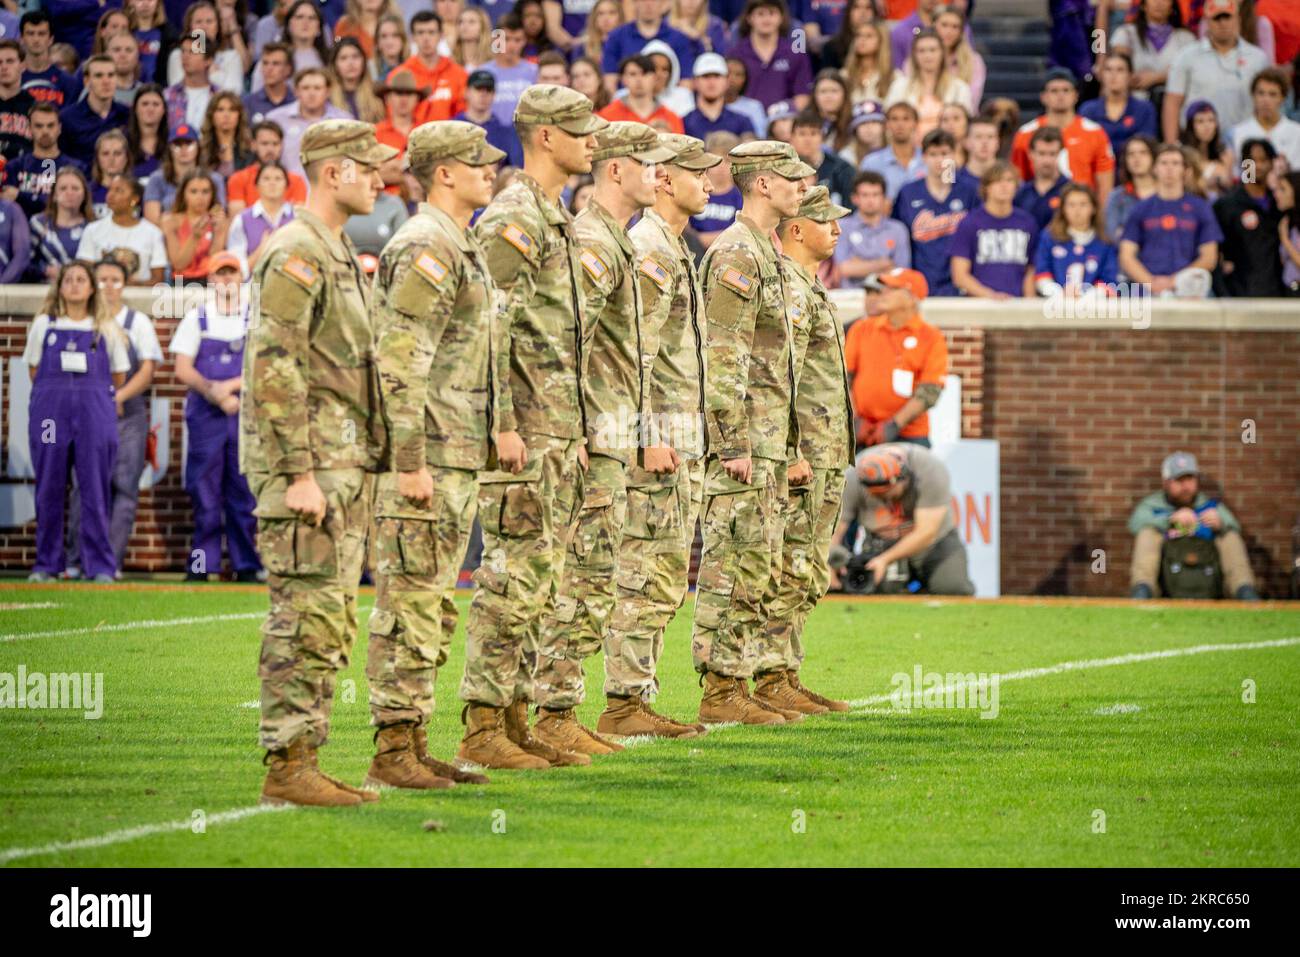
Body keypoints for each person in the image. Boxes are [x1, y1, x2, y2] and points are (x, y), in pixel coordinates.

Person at [243, 119, 397, 807]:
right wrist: (300, 472)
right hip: (308, 472)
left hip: (341, 466)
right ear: (333, 172)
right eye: (368, 169)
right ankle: (288, 764)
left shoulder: (334, 249)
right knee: (303, 616)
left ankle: (307, 756)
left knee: (330, 616)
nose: (380, 181)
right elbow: (276, 366)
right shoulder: (297, 251)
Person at [458, 86, 607, 770]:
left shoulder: (555, 215)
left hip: (555, 430)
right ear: (544, 136)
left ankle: (515, 719)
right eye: (579, 130)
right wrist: (501, 422)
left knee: (537, 580)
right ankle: (482, 725)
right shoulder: (515, 215)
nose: (592, 140)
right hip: (523, 431)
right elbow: (487, 323)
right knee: (510, 578)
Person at [526, 122, 678, 753]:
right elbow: (567, 343)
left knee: (595, 576)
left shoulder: (613, 238)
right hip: (592, 433)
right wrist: (579, 429)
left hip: (615, 431)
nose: (658, 176)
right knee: (579, 577)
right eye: (648, 164)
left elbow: (630, 359)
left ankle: (561, 713)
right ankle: (551, 714)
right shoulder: (592, 239)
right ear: (617, 171)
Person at [362, 120, 505, 784]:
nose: (492, 171)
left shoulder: (459, 241)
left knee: (435, 601)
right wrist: (410, 461)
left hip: (455, 452)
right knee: (410, 602)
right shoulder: (426, 244)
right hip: (426, 457)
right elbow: (399, 366)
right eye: (479, 163)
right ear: (444, 171)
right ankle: (394, 748)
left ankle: (413, 741)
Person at [693, 139, 812, 725]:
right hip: (744, 444)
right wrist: (731, 441)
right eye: (791, 178)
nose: (801, 188)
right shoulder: (736, 253)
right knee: (731, 565)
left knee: (757, 565)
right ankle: (720, 689)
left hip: (767, 443)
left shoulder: (763, 251)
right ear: (762, 183)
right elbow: (723, 354)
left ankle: (738, 682)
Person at [603, 132, 717, 739]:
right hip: (660, 438)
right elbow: (634, 349)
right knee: (646, 570)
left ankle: (635, 694)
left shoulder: (673, 246)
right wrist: (645, 433)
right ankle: (623, 700)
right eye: (697, 173)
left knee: (666, 572)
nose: (711, 182)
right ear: (666, 181)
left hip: (680, 434)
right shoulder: (650, 247)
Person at [762, 185, 854, 715]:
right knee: (791, 564)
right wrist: (792, 448)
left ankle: (784, 670)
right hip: (805, 453)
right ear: (796, 229)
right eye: (827, 222)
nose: (838, 231)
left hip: (825, 450)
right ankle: (768, 674)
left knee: (808, 567)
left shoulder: (810, 288)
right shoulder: (792, 290)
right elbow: (781, 377)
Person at [24, 261, 130, 585]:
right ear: (59, 287)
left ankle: (98, 566)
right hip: (50, 416)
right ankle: (47, 565)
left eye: (80, 279)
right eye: (67, 279)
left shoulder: (107, 329)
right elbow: (34, 371)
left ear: (91, 287)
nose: (73, 285)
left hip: (94, 414)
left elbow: (118, 376)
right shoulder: (44, 325)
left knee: (95, 490)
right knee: (49, 487)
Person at [91, 257, 163, 575]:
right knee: (87, 487)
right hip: (90, 414)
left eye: (115, 280)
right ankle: (80, 561)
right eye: (102, 280)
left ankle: (111, 562)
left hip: (128, 413)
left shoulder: (138, 322)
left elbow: (147, 370)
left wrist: (117, 397)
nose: (108, 286)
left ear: (125, 284)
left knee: (124, 487)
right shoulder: (83, 320)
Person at [835, 444, 975, 595]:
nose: (885, 501)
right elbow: (833, 531)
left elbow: (927, 533)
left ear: (903, 478)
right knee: (868, 588)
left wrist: (885, 559)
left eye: (888, 494)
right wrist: (831, 560)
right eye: (876, 495)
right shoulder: (852, 478)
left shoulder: (930, 471)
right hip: (880, 542)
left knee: (953, 587)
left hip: (934, 543)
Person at [1128, 451, 1259, 600]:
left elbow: (1235, 526)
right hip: (1167, 574)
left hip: (1207, 573)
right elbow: (1134, 523)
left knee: (1229, 536)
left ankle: (1245, 591)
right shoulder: (1153, 504)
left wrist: (1220, 524)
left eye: (1189, 479)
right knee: (1147, 533)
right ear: (1166, 482)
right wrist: (1170, 519)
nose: (1185, 486)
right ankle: (1142, 590)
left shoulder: (1209, 504)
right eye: (1179, 480)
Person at [846, 267, 946, 448]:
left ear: (911, 298)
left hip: (909, 435)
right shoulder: (861, 329)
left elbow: (930, 391)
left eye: (892, 288)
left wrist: (894, 425)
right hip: (860, 432)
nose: (882, 293)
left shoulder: (931, 337)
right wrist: (854, 421)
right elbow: (844, 379)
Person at [1119, 143, 1222, 297]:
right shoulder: (1141, 208)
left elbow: (1209, 257)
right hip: (1147, 287)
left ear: (1185, 170)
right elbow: (1126, 256)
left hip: (1188, 286)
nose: (1169, 168)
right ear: (1154, 168)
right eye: (1164, 163)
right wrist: (1151, 283)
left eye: (1175, 163)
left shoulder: (1200, 208)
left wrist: (1174, 281)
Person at [1163, 0, 1269, 144]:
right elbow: (1172, 103)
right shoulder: (1186, 56)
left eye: (1227, 17)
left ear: (1238, 19)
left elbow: (1268, 103)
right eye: (1217, 18)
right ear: (1207, 22)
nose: (1223, 23)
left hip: (1245, 142)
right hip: (1199, 144)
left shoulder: (1258, 58)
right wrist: (1171, 144)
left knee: (1248, 167)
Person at [892, 129, 979, 296]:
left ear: (954, 155)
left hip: (960, 283)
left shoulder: (969, 191)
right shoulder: (908, 192)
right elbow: (900, 236)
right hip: (921, 280)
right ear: (923, 157)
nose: (940, 160)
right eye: (933, 154)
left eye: (945, 153)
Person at [1011, 68, 1116, 201]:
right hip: (1038, 209)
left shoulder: (1095, 132)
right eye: (1054, 91)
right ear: (1043, 97)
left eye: (1066, 90)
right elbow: (1018, 181)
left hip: (1082, 212)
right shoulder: (1026, 133)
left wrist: (1099, 220)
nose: (1060, 96)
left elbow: (1105, 185)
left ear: (1076, 95)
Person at [1215, 137, 1285, 296]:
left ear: (1272, 163)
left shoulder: (1279, 204)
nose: (1258, 166)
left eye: (1263, 160)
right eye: (1251, 160)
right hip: (1239, 292)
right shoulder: (1227, 205)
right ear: (1243, 164)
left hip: (1277, 292)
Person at [884, 28, 972, 142]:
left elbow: (964, 127)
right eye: (922, 51)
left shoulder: (960, 88)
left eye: (932, 50)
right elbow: (890, 123)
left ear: (942, 53)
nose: (927, 55)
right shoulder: (899, 86)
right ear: (914, 55)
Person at [79, 174, 168, 285]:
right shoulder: (92, 230)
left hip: (140, 299)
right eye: (110, 190)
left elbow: (158, 279)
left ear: (135, 199)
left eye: (119, 191)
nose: (110, 195)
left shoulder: (153, 233)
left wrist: (130, 285)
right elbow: (85, 273)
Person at [1033, 183, 1119, 297]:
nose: (1077, 210)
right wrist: (1059, 294)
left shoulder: (1104, 242)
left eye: (1083, 204)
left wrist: (1088, 296)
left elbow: (1109, 281)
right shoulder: (1049, 237)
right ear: (1063, 209)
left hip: (1094, 308)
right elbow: (1041, 275)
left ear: (1093, 208)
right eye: (1071, 205)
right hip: (1055, 306)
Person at [725, 0, 812, 112]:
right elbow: (728, 93)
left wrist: (783, 109)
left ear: (781, 17)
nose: (766, 19)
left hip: (784, 118)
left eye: (772, 13)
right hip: (744, 117)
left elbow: (803, 96)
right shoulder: (736, 53)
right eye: (760, 14)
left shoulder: (796, 54)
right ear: (749, 18)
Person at [267, 68, 352, 180]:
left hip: (331, 192)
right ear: (296, 91)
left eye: (317, 88)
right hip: (287, 192)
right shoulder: (276, 119)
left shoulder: (344, 120)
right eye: (305, 88)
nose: (311, 94)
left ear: (327, 92)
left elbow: (350, 160)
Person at [601, 0, 697, 94]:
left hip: (669, 103)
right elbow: (610, 82)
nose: (648, 4)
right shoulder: (616, 37)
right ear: (635, 3)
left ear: (663, 3)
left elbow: (686, 82)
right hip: (627, 102)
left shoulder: (679, 38)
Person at [833, 170, 911, 284]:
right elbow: (844, 269)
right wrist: (884, 263)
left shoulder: (898, 230)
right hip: (850, 297)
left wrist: (858, 265)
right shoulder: (841, 227)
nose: (870, 200)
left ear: (884, 198)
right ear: (854, 198)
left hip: (887, 295)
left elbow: (901, 273)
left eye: (875, 194)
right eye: (865, 195)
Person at [1, 103, 76, 218]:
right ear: (29, 128)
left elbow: (68, 204)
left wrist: (20, 195)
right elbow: (5, 205)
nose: (45, 131)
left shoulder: (75, 169)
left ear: (59, 128)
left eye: (50, 126)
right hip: (20, 232)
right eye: (39, 126)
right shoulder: (14, 167)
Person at [1110, 0, 1196, 101]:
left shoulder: (1186, 38)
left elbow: (1191, 72)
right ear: (1143, 5)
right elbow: (1120, 67)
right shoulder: (1126, 33)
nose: (1158, 3)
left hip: (1175, 103)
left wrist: (1156, 78)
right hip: (1135, 103)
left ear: (1172, 6)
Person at [1079, 52, 1159, 156]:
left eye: (1120, 70)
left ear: (1130, 75)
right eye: (1108, 70)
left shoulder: (1145, 109)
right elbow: (1083, 146)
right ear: (1101, 75)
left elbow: (1146, 146)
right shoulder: (1088, 109)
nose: (1113, 75)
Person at [59, 55, 130, 168]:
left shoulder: (128, 115)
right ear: (87, 81)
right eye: (99, 76)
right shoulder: (67, 118)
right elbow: (58, 158)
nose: (106, 81)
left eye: (111, 75)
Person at [399, 11, 468, 122]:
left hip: (450, 137)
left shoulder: (459, 74)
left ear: (441, 35)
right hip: (414, 138)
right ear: (412, 37)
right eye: (420, 33)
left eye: (431, 32)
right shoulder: (400, 76)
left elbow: (464, 115)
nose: (426, 39)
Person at [226, 121, 309, 215]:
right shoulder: (238, 179)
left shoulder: (296, 181)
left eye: (275, 144)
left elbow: (299, 219)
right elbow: (238, 219)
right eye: (264, 144)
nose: (270, 149)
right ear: (253, 145)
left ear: (281, 145)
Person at [28, 168, 95, 283]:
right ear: (54, 195)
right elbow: (25, 261)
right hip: (44, 288)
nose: (69, 193)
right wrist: (45, 270)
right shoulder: (38, 224)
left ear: (85, 194)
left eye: (75, 188)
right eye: (63, 188)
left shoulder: (94, 226)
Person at [162, 169, 228, 282]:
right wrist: (194, 237)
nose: (200, 197)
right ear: (183, 194)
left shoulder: (220, 220)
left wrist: (219, 232)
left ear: (212, 194)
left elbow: (215, 261)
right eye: (193, 191)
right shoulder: (170, 221)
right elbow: (179, 264)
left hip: (210, 282)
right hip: (180, 282)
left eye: (205, 191)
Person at [227, 162, 295, 272]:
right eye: (266, 179)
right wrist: (262, 250)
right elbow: (236, 270)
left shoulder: (298, 217)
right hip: (253, 286)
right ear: (256, 186)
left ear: (286, 185)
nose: (272, 183)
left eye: (278, 179)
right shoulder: (242, 220)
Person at [1230, 67, 1300, 169]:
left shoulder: (1297, 133)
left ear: (1282, 98)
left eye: (1273, 94)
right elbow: (1246, 177)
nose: (1266, 100)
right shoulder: (1238, 133)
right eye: (1261, 93)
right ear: (1253, 96)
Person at [455, 69, 524, 168]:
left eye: (488, 90)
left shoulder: (504, 132)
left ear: (494, 94)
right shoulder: (454, 127)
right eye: (478, 89)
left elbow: (514, 167)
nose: (483, 94)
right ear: (467, 92)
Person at [598, 54, 684, 133]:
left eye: (645, 73)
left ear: (655, 78)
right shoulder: (607, 116)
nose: (639, 79)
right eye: (633, 74)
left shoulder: (671, 119)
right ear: (623, 79)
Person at [682, 52, 755, 142]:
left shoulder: (742, 122)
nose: (711, 82)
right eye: (706, 76)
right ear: (695, 81)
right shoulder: (683, 123)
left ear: (727, 81)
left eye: (717, 76)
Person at [791, 110, 856, 208]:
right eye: (802, 133)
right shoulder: (784, 169)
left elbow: (851, 208)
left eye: (813, 133)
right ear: (792, 138)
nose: (807, 139)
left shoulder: (842, 169)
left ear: (822, 137)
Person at [860, 101, 924, 201]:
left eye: (906, 119)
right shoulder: (871, 163)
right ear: (887, 125)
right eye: (894, 119)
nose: (900, 124)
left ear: (915, 123)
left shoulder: (930, 158)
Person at [483, 13, 538, 125]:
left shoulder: (534, 72)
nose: (511, 45)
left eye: (517, 40)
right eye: (506, 39)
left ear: (525, 41)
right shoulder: (483, 72)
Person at [1013, 126, 1071, 232]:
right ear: (1031, 154)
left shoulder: (1071, 191)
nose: (1047, 161)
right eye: (1041, 153)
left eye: (1052, 154)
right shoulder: (1020, 193)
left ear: (1061, 154)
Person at [691, 129, 743, 245]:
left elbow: (741, 234)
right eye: (717, 160)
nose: (721, 166)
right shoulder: (694, 190)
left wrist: (701, 239)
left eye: (727, 160)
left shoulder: (741, 196)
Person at [20, 11, 80, 109]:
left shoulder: (68, 82)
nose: (36, 39)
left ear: (51, 39)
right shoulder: (11, 79)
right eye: (30, 33)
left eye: (41, 34)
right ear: (21, 38)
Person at [1105, 133, 1158, 243]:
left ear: (1154, 157)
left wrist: (1128, 233)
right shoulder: (1117, 196)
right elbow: (1112, 235)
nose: (1136, 158)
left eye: (1143, 153)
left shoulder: (1167, 193)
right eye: (1131, 154)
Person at [844, 20, 897, 105]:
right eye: (858, 35)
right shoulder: (845, 75)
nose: (862, 40)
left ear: (881, 41)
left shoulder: (895, 77)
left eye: (869, 36)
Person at [0, 40, 35, 161]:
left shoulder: (34, 107)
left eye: (10, 61)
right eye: (0, 62)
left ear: (23, 65)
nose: (4, 67)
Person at [127, 84, 167, 178]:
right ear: (135, 109)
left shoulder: (172, 141)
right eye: (145, 104)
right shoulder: (123, 141)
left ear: (163, 110)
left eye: (156, 104)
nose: (150, 109)